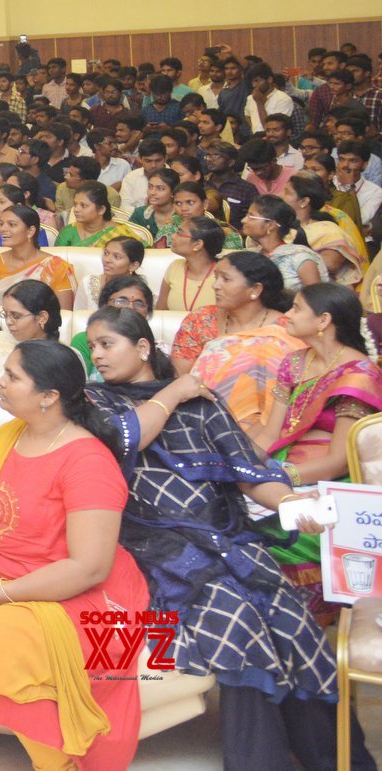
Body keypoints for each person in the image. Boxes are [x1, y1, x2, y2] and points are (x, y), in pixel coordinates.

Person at [83, 306, 357, 770]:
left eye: (107, 344)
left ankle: (330, 758)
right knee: (237, 622)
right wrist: (174, 390)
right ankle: (259, 762)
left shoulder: (201, 404)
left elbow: (250, 473)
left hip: (222, 534)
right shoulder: (96, 402)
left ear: (143, 347)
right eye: (92, 347)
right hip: (148, 543)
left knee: (293, 621)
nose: (98, 356)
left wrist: (288, 503)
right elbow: (125, 440)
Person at [0, 340, 150, 771]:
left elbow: (90, 567)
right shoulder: (8, 436)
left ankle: (61, 762)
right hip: (3, 581)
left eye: (12, 377)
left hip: (74, 594)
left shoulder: (87, 462)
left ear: (49, 396)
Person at [254, 282, 382, 622]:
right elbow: (270, 433)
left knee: (278, 536)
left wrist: (281, 477)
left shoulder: (358, 375)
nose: (288, 315)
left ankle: (304, 625)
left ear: (323, 320)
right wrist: (245, 466)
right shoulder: (294, 362)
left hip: (333, 481)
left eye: (296, 308)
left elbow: (338, 460)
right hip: (282, 466)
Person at [170, 252, 302, 432]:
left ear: (255, 289)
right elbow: (182, 378)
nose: (215, 286)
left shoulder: (286, 329)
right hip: (201, 420)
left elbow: (297, 389)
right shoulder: (200, 320)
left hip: (271, 427)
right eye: (216, 277)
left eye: (226, 279)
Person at [0, 205, 75, 310]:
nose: (2, 229)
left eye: (12, 224)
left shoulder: (56, 266)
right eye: (1, 224)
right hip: (3, 324)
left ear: (30, 231)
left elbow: (64, 315)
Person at [73, 275, 156, 376]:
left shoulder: (156, 346)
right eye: (121, 301)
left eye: (139, 303)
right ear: (104, 306)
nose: (130, 307)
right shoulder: (84, 340)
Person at [244, 194, 326, 288]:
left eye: (251, 217)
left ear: (271, 225)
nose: (244, 220)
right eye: (246, 216)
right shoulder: (253, 255)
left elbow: (316, 298)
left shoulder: (300, 258)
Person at [159, 216, 224, 311]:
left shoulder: (223, 275)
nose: (173, 236)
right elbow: (161, 311)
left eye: (179, 233)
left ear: (198, 244)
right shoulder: (174, 267)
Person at [54, 182, 142, 247]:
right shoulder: (68, 232)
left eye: (83, 206)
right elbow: (57, 264)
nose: (76, 209)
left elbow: (144, 254)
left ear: (101, 210)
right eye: (75, 204)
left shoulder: (120, 233)